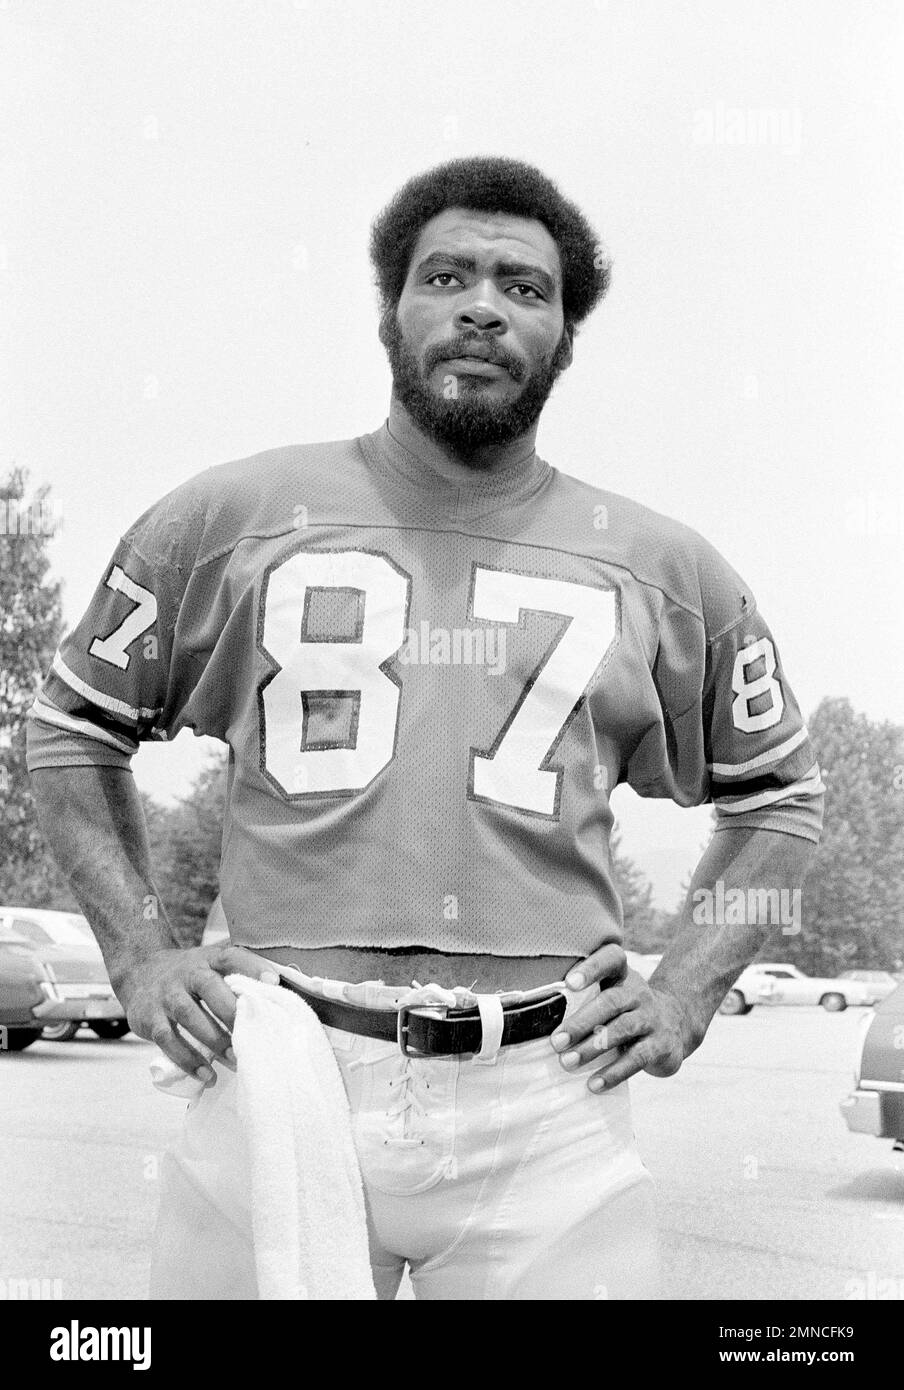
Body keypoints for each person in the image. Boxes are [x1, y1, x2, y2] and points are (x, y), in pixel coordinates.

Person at [27, 156, 823, 1300]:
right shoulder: (232, 513)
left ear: (562, 337)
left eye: (524, 288)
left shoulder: (663, 563)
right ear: (391, 308)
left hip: (546, 1095)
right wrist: (140, 953)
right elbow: (69, 732)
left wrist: (688, 989)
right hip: (283, 1065)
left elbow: (782, 800)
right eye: (445, 275)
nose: (482, 306)